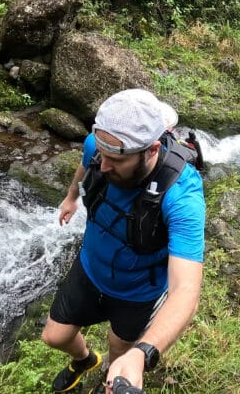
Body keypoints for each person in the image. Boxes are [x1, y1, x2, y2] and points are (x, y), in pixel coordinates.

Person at [42, 89, 206, 394]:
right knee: (54, 337)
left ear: (151, 149)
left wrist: (142, 354)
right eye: (101, 155)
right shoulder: (102, 146)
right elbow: (86, 163)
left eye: (116, 159)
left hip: (136, 292)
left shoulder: (182, 196)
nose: (103, 165)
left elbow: (186, 290)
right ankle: (85, 360)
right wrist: (70, 197)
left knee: (120, 352)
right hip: (90, 269)